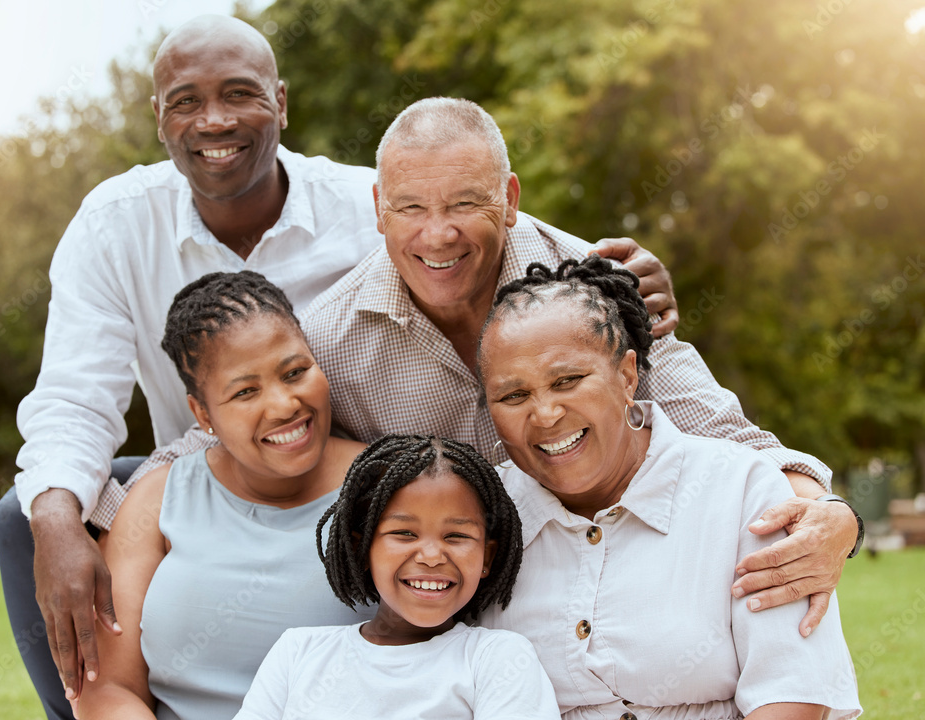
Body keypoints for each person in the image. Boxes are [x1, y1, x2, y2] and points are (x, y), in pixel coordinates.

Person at [134, 97, 860, 640]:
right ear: (379, 209)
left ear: (508, 201)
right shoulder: (333, 335)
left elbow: (732, 435)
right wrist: (99, 513)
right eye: (411, 207)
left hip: (627, 581)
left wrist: (828, 516)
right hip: (468, 619)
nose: (437, 233)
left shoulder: (595, 290)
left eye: (464, 203)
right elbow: (237, 426)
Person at [0, 15, 383, 719]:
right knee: (29, 515)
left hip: (352, 469)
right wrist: (58, 525)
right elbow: (76, 397)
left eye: (240, 94)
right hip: (205, 481)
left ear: (282, 103)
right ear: (158, 118)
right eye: (186, 102)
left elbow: (484, 232)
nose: (214, 121)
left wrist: (611, 270)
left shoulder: (366, 204)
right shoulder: (115, 223)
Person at [476, 257, 861, 719]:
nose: (545, 414)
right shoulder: (482, 513)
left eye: (568, 380)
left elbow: (792, 692)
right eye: (514, 395)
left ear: (626, 376)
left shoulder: (743, 491)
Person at [78, 270, 374, 720]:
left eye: (295, 372)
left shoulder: (384, 485)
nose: (284, 405)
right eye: (245, 391)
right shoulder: (156, 501)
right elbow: (109, 690)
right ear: (202, 414)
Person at [232, 434, 559, 720]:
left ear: (486, 556)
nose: (432, 556)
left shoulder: (497, 659)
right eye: (404, 532)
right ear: (362, 550)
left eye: (456, 536)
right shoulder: (297, 653)